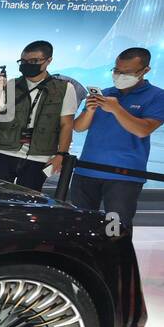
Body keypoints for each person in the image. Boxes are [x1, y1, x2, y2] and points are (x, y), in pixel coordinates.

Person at [69, 47, 164, 233]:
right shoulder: (105, 93)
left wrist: (116, 109)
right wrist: (89, 110)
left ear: (145, 71)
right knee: (80, 227)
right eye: (116, 70)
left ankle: (114, 262)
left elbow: (143, 130)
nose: (119, 75)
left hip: (124, 176)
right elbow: (79, 127)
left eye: (126, 72)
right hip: (86, 171)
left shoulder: (157, 96)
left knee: (115, 231)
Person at [0, 40, 76, 190]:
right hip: (4, 151)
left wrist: (61, 155)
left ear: (48, 60)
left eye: (34, 61)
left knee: (28, 201)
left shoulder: (64, 89)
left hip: (39, 157)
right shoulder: (12, 85)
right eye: (23, 61)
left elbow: (67, 124)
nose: (27, 64)